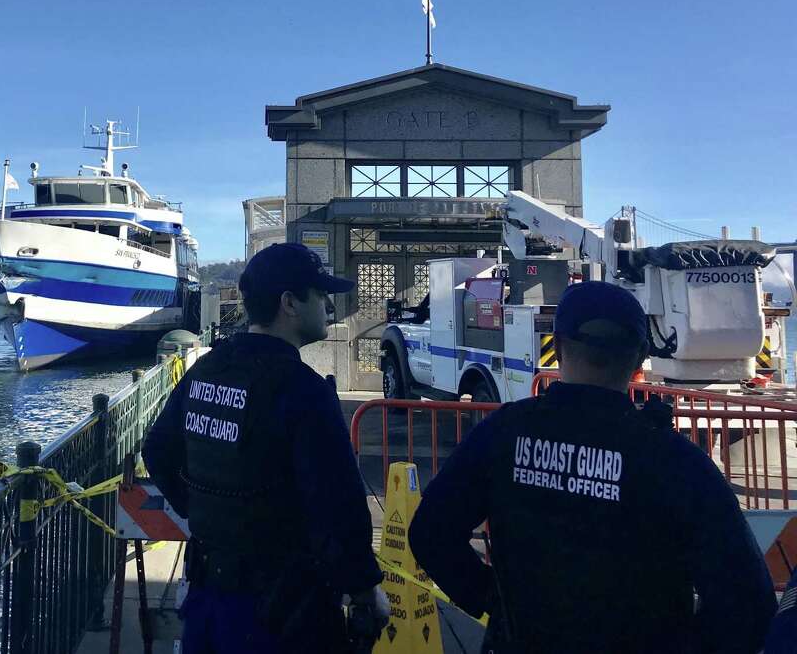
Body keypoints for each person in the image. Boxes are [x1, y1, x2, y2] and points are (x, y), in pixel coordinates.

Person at [408, 281, 777, 654]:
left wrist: (493, 601)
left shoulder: (504, 434)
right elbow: (748, 601)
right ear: (639, 358)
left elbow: (429, 532)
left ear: (560, 345)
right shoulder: (674, 460)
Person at [143, 243, 389, 653]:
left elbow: (157, 451)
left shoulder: (209, 368)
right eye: (320, 293)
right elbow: (338, 507)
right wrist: (364, 590)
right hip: (285, 614)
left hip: (208, 600)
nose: (329, 304)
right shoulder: (302, 389)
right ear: (289, 303)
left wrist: (208, 512)